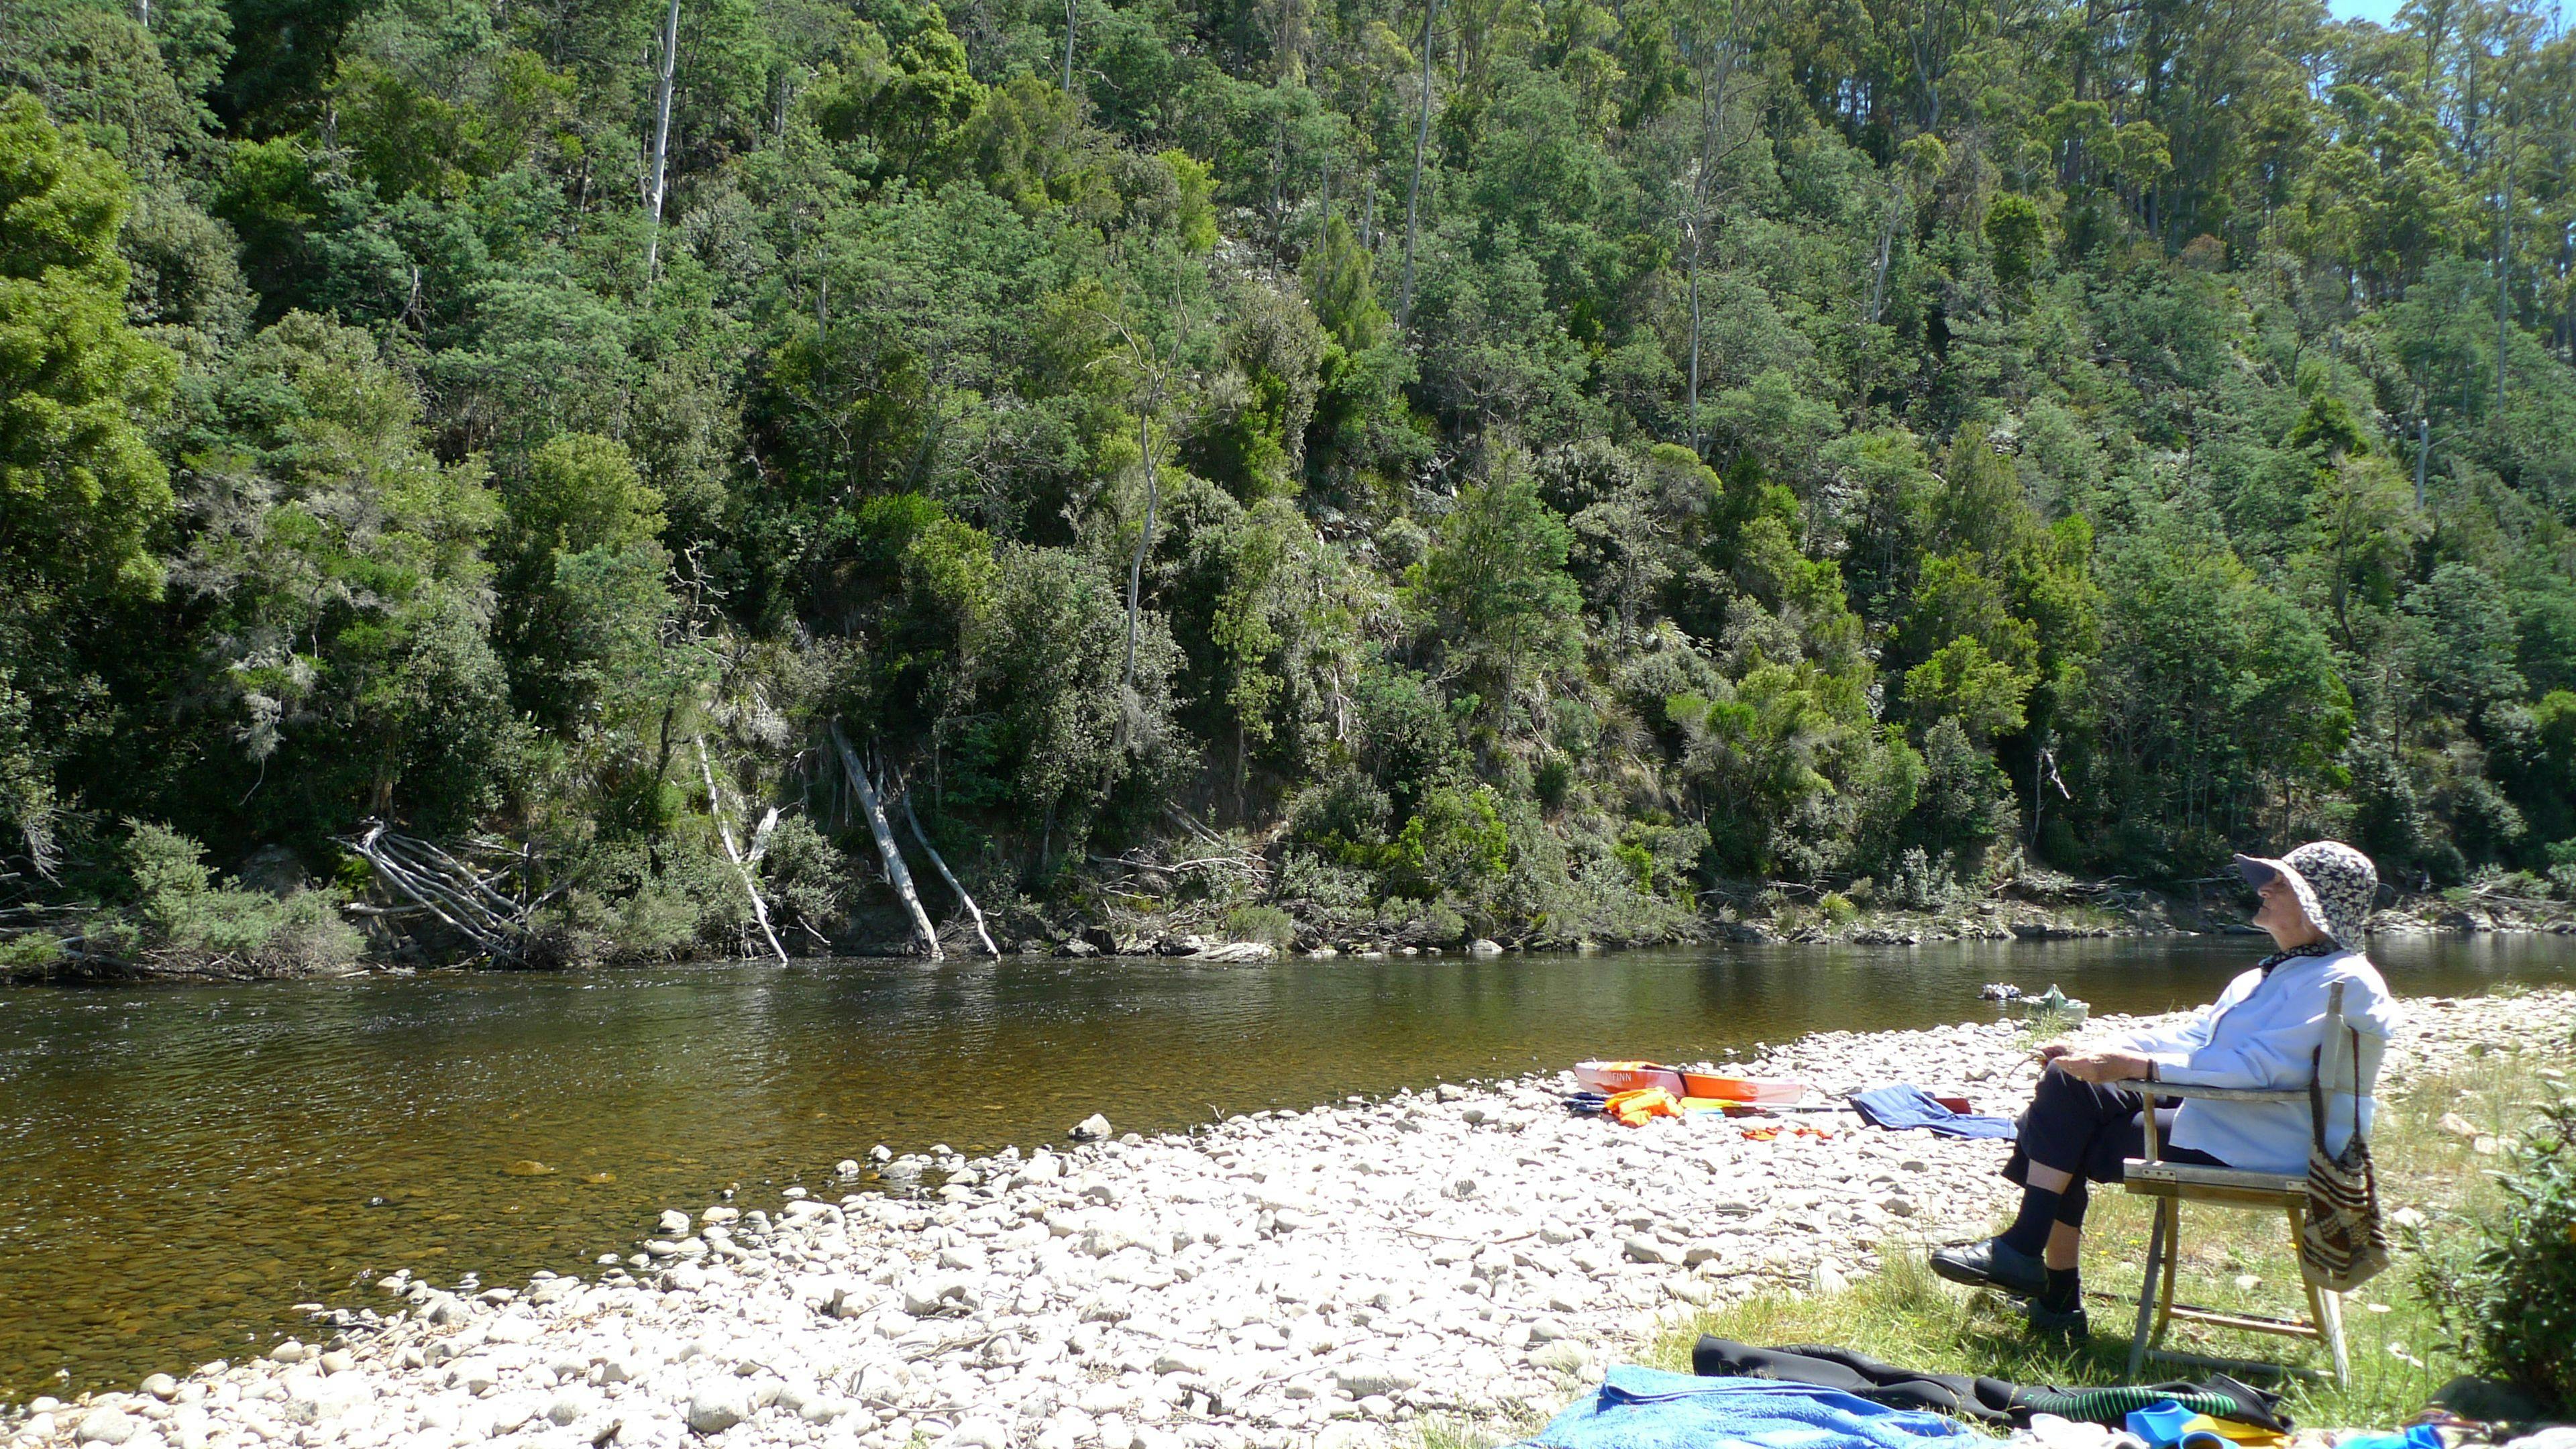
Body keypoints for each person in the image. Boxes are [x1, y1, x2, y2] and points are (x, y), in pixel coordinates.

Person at [1927, 840, 2400, 1336]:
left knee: (2060, 1133)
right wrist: (2096, 1049)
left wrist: (2143, 1066)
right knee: (2066, 1090)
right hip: (2233, 1117)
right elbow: (2197, 1037)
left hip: (2268, 1141)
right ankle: (2033, 1271)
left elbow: (2259, 1070)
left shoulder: (2346, 981)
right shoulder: (2272, 974)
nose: (2264, 888)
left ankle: (2047, 1283)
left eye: (2279, 883)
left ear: (2314, 903)